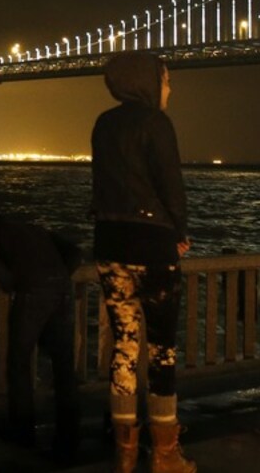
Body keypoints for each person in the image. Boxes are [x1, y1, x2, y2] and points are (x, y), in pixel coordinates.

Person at [91, 52, 195, 473]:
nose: (169, 88)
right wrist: (180, 233)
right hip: (152, 246)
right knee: (162, 351)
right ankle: (165, 455)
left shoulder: (103, 123)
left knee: (124, 346)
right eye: (165, 79)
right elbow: (171, 186)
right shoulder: (157, 123)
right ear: (147, 82)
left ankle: (125, 454)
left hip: (109, 243)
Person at [0, 213, 83, 463]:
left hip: (32, 292)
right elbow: (76, 252)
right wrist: (59, 276)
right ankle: (69, 438)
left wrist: (12, 283)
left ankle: (22, 430)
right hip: (62, 290)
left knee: (19, 362)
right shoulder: (36, 230)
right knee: (64, 366)